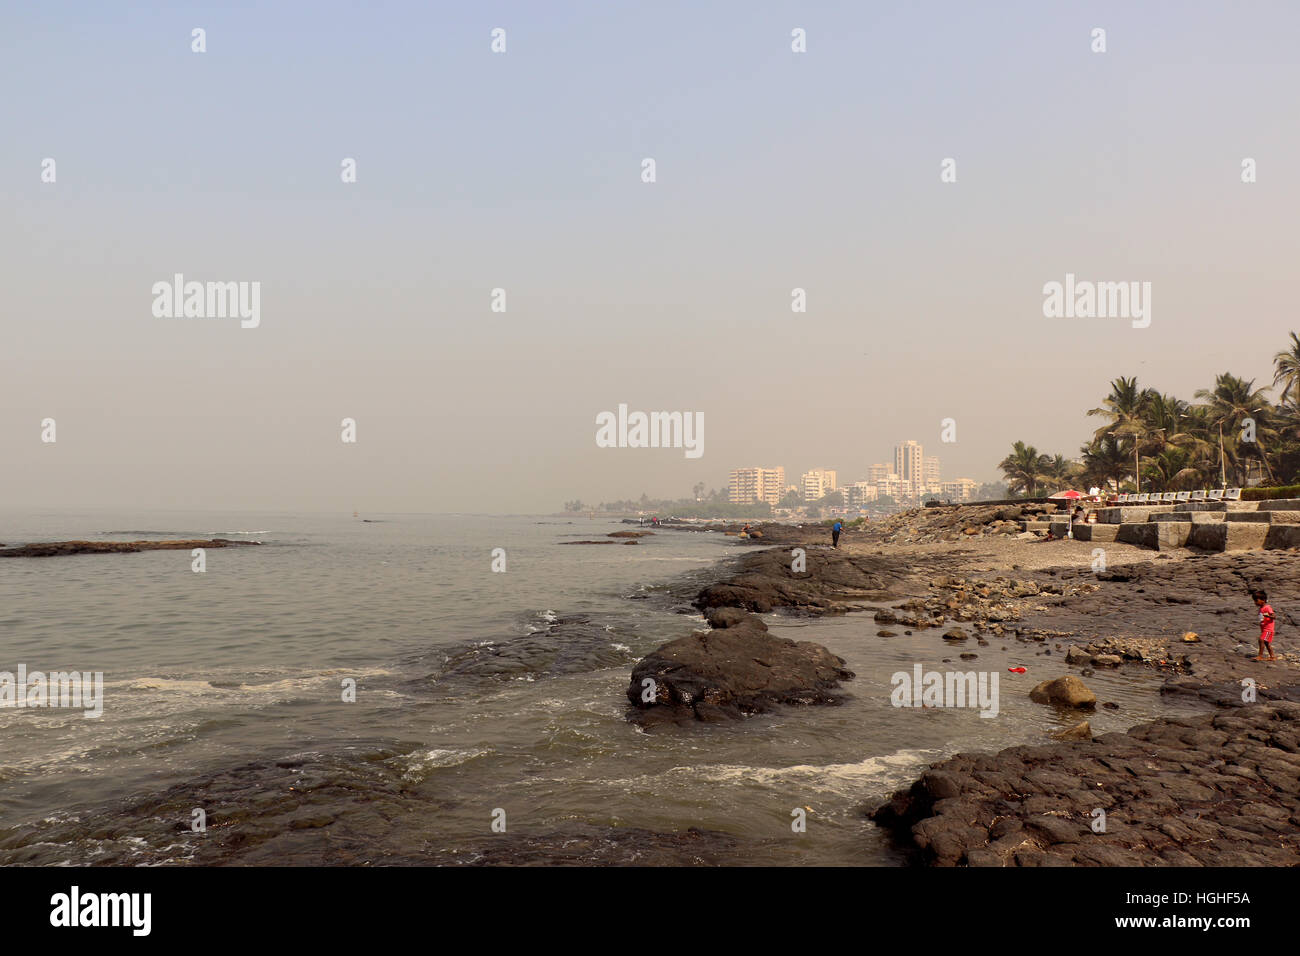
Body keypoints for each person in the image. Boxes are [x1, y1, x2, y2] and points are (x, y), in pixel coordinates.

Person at [1253, 589, 1277, 662]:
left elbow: (1274, 616)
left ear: (1263, 600)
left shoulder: (1267, 607)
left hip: (1268, 629)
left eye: (1256, 600)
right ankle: (1272, 656)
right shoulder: (1261, 608)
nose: (1255, 602)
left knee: (1261, 640)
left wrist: (1268, 616)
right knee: (1266, 643)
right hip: (1264, 629)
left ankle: (1260, 656)